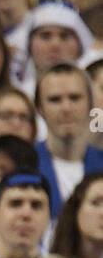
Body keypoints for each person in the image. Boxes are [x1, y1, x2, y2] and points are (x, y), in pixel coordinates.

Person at [34, 65, 103, 222]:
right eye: (55, 100)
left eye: (75, 98)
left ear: (91, 104)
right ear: (39, 108)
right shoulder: (25, 165)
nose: (66, 108)